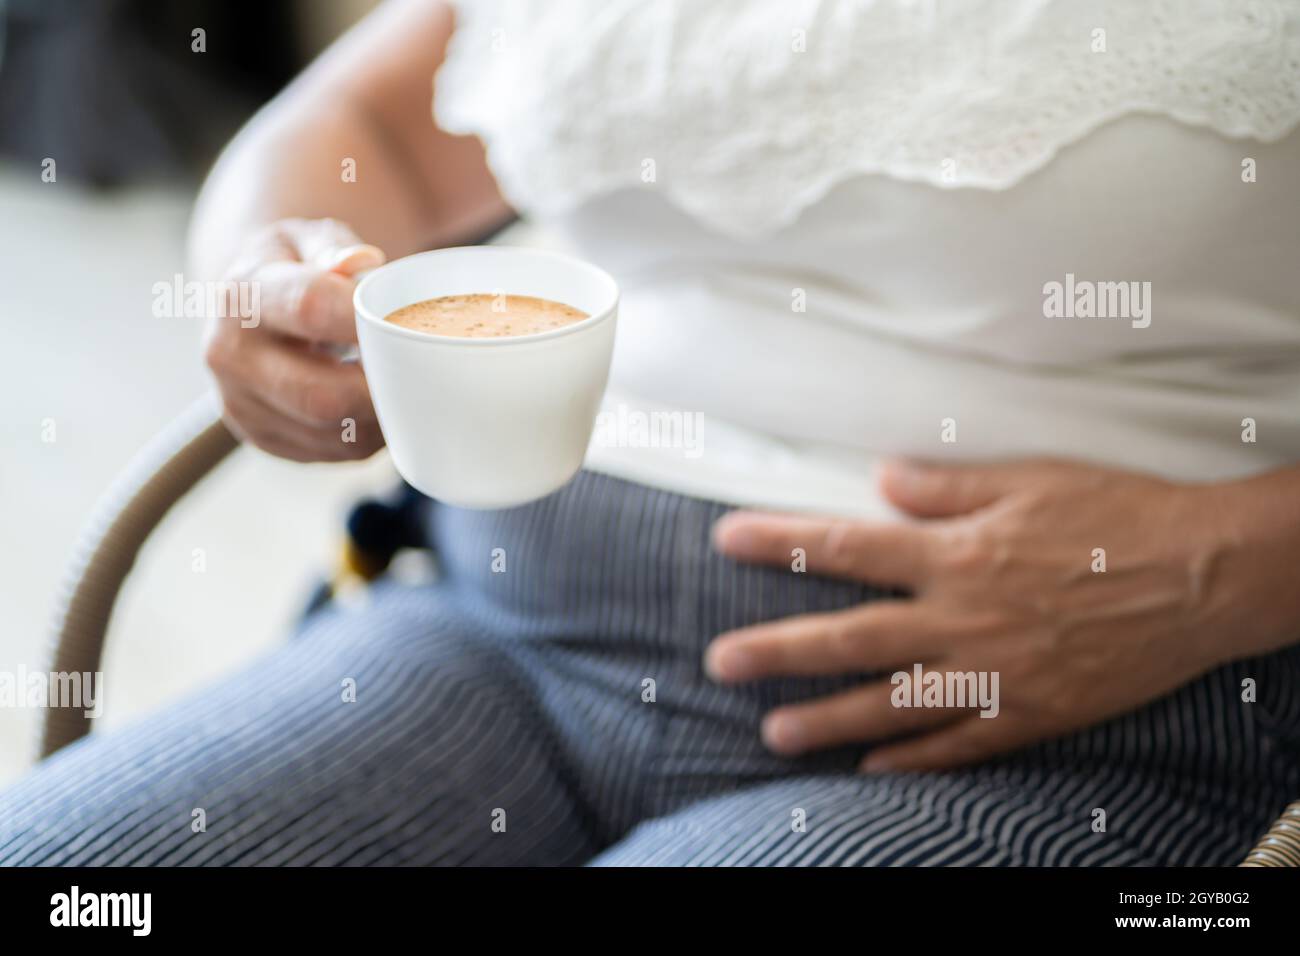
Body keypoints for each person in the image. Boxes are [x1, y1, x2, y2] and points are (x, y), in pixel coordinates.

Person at [3, 0, 1299, 866]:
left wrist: (1227, 565)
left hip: (1074, 731)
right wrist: (271, 269)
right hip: (511, 634)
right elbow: (377, 121)